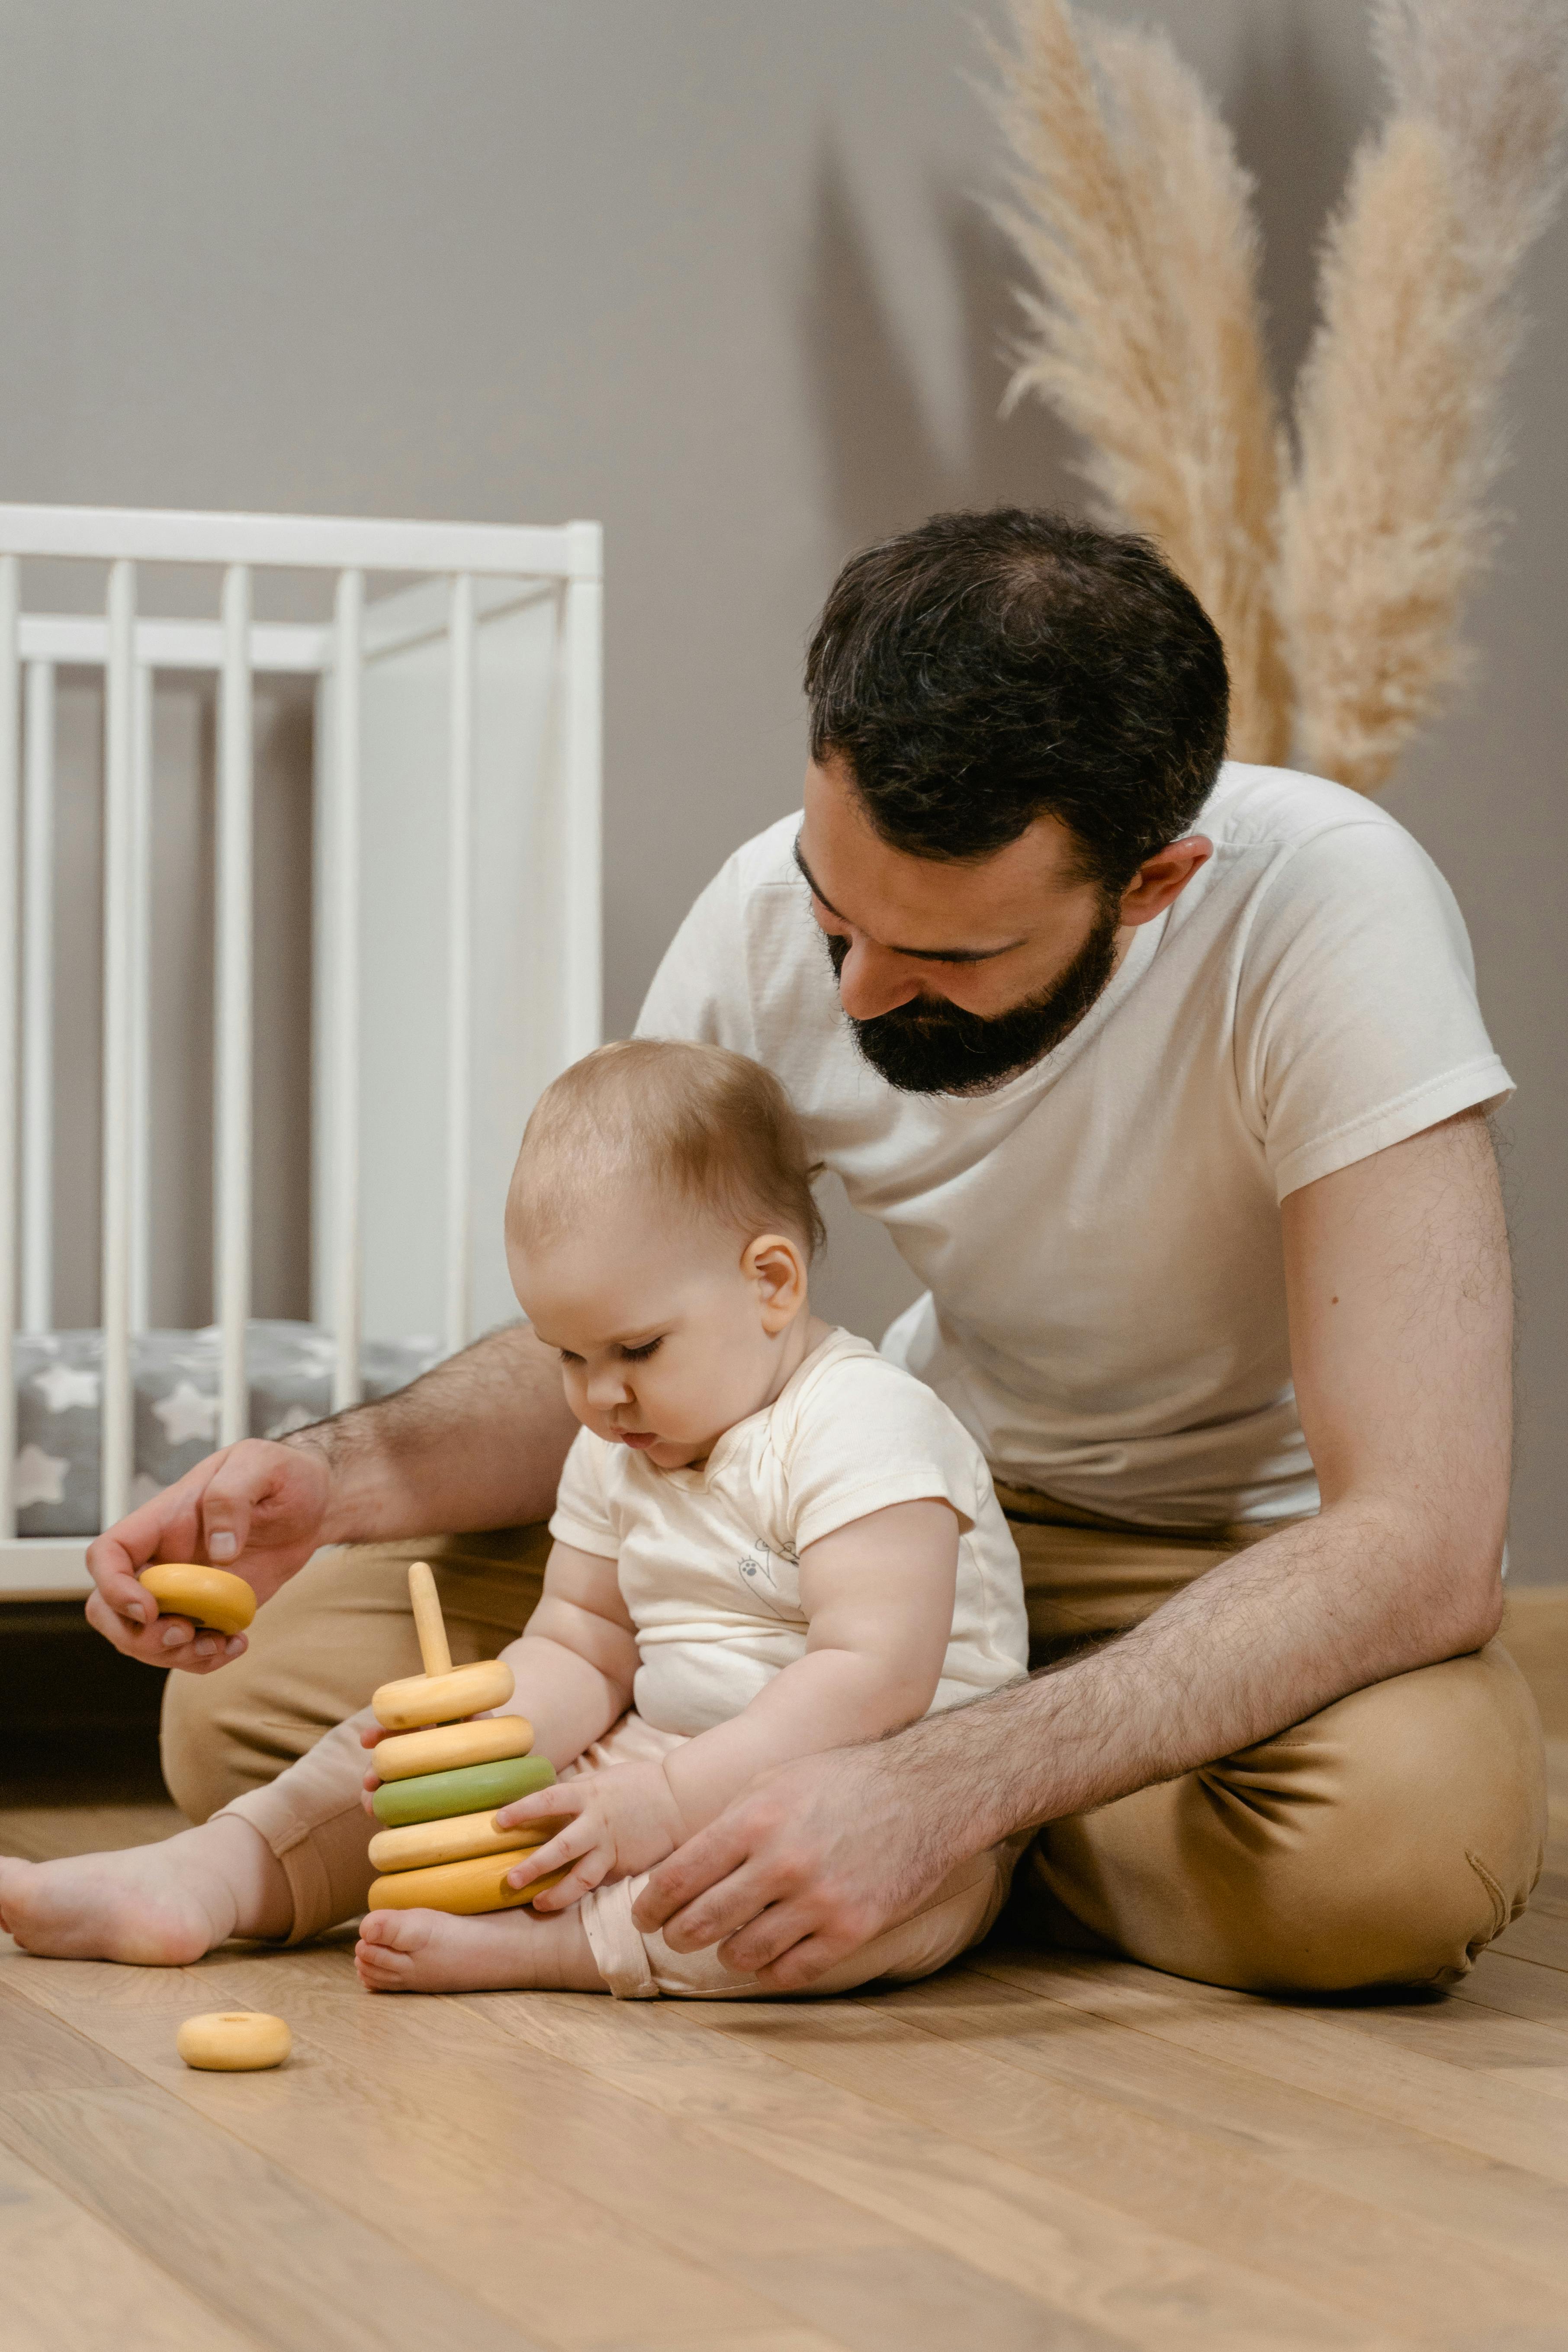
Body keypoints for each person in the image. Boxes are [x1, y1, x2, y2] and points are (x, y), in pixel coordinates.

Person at [67, 508, 1546, 1998]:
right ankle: (867, 1826)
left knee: (1396, 1851)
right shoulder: (770, 909)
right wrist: (334, 1482)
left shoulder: (1330, 915)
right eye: (837, 910)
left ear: (1149, 882)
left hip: (1226, 1566)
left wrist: (946, 1777)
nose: (856, 982)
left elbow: (1416, 1539)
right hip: (864, 1523)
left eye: (950, 955)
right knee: (249, 1711)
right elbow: (633, 1321)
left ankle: (913, 1824)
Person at [0, 1041, 1030, 1995]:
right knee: (404, 1751)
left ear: (771, 1283)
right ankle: (209, 1878)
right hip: (659, 1759)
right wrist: (477, 1745)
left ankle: (560, 1950)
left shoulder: (865, 1423)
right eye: (569, 1356)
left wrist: (669, 1806)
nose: (600, 1396)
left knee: (816, 1897)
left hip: (884, 1794)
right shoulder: (618, 1444)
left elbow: (872, 1677)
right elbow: (584, 1644)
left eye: (635, 1351)